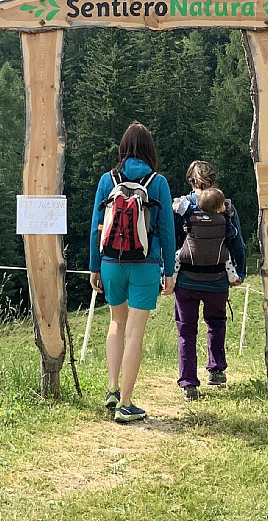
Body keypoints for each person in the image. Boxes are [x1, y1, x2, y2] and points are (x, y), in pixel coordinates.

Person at [89, 122, 176, 424]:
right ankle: (126, 404)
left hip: (111, 262)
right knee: (135, 332)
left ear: (123, 148)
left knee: (116, 323)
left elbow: (96, 226)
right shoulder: (158, 182)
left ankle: (112, 390)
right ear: (149, 148)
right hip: (146, 264)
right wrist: (170, 270)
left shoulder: (106, 179)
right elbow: (166, 230)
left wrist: (94, 265)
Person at [172, 160, 248, 401]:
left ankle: (189, 383)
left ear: (190, 181)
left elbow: (172, 240)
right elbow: (237, 243)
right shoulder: (225, 207)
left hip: (186, 279)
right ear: (213, 179)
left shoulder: (182, 207)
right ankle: (216, 371)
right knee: (216, 322)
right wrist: (240, 273)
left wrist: (166, 273)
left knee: (186, 331)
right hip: (217, 279)